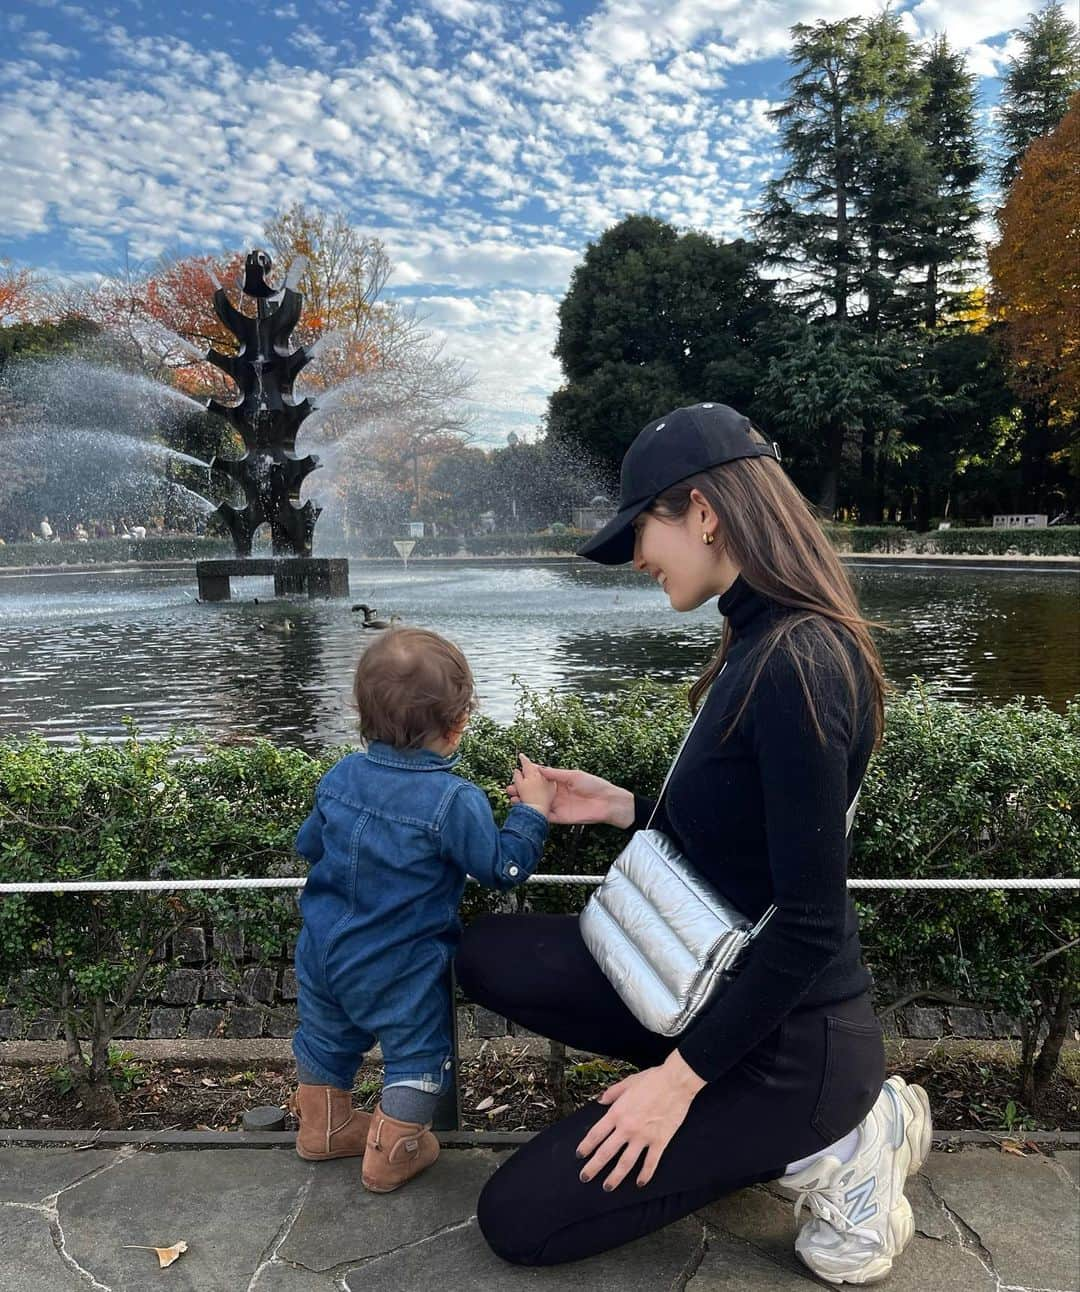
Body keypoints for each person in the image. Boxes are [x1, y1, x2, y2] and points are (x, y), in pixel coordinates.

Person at [456, 403, 931, 1282]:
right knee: (489, 953)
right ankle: (756, 1119)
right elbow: (748, 839)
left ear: (704, 512)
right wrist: (624, 810)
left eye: (642, 531)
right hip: (722, 989)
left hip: (794, 1047)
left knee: (518, 1221)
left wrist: (675, 1085)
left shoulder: (797, 661)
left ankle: (844, 1146)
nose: (637, 559)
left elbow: (810, 924)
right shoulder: (758, 636)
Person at [289, 626, 555, 1193]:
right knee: (416, 1052)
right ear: (456, 725)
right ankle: (396, 1150)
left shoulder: (339, 776)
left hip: (322, 949)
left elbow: (309, 844)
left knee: (324, 1036)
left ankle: (323, 1128)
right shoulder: (452, 799)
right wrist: (532, 812)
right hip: (399, 961)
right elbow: (501, 869)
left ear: (362, 714)